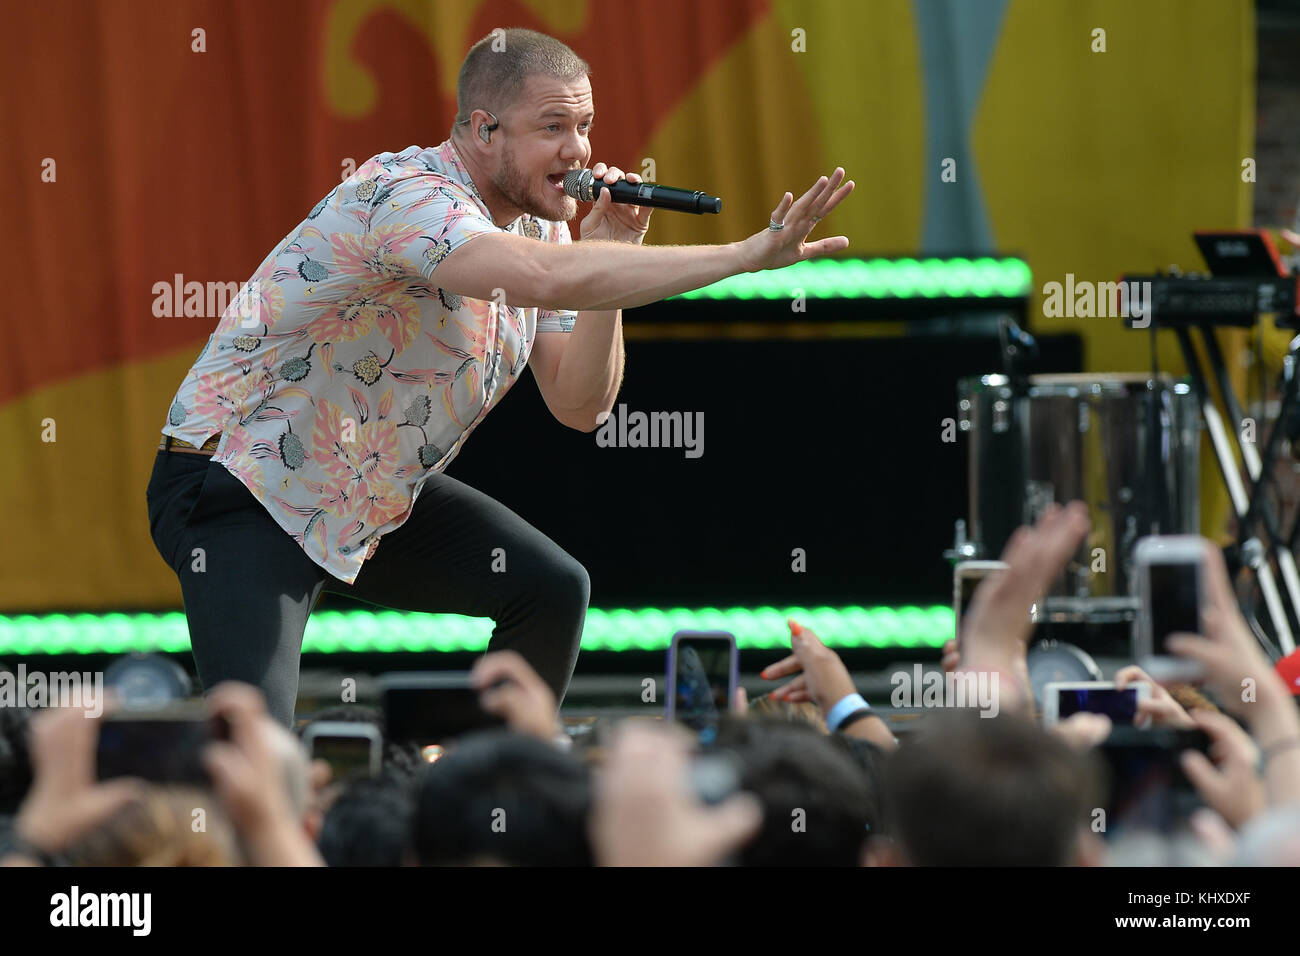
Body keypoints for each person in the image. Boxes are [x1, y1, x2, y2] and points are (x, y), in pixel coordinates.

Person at [145, 25, 855, 726]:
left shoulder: (542, 229)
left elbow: (579, 404)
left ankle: (491, 780)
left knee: (551, 589)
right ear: (484, 130)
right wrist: (742, 256)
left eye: (585, 126)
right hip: (245, 484)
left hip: (365, 492)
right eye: (553, 127)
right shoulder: (407, 196)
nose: (578, 150)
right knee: (254, 752)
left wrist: (609, 249)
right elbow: (543, 278)